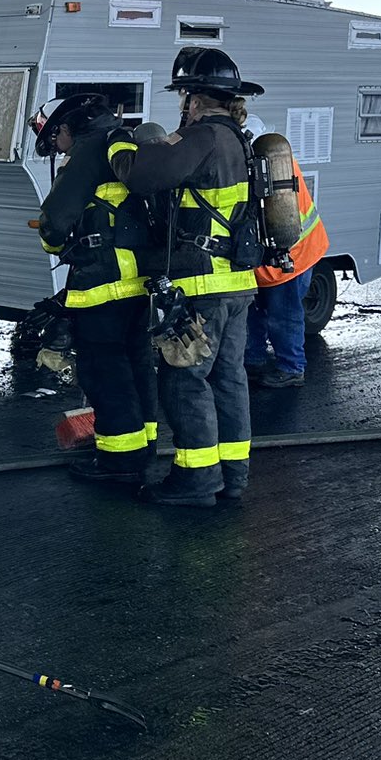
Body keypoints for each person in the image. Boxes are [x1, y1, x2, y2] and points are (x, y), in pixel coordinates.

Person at [111, 47, 261, 508]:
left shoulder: (202, 137)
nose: (183, 105)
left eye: (184, 97)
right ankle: (233, 474)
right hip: (236, 283)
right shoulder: (240, 139)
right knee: (228, 380)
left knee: (184, 380)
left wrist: (118, 141)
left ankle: (195, 480)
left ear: (194, 100)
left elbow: (140, 175)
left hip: (202, 284)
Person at [35, 94, 157, 486]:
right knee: (136, 363)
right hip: (139, 280)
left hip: (103, 283)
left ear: (70, 129)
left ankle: (119, 460)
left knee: (105, 369)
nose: (56, 147)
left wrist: (53, 244)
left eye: (56, 138)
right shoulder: (123, 143)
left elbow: (55, 219)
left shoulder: (89, 151)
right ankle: (143, 445)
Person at [245, 149, 329, 390]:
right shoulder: (276, 162)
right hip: (288, 253)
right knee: (257, 309)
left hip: (293, 256)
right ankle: (255, 359)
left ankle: (292, 368)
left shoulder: (261, 169)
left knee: (283, 315)